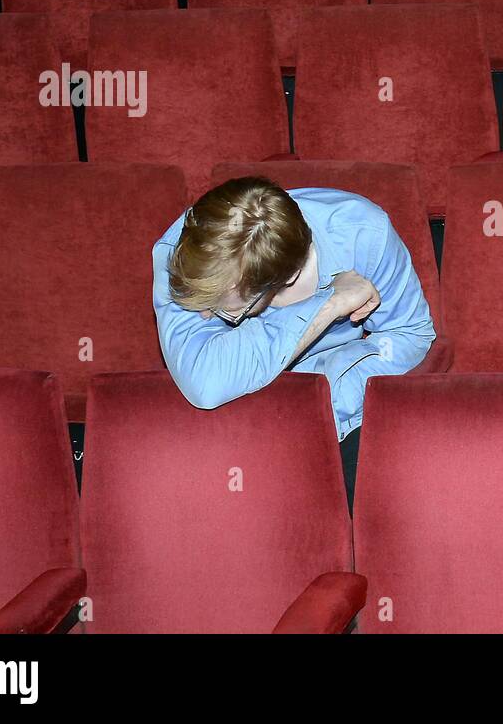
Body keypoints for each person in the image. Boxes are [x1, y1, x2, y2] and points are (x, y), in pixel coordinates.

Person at [151, 176, 436, 510]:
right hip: (231, 417)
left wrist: (322, 396)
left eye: (224, 310)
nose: (203, 314)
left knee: (383, 498)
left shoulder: (363, 232)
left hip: (334, 408)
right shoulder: (184, 253)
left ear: (284, 281)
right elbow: (206, 381)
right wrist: (328, 304)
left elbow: (410, 334)